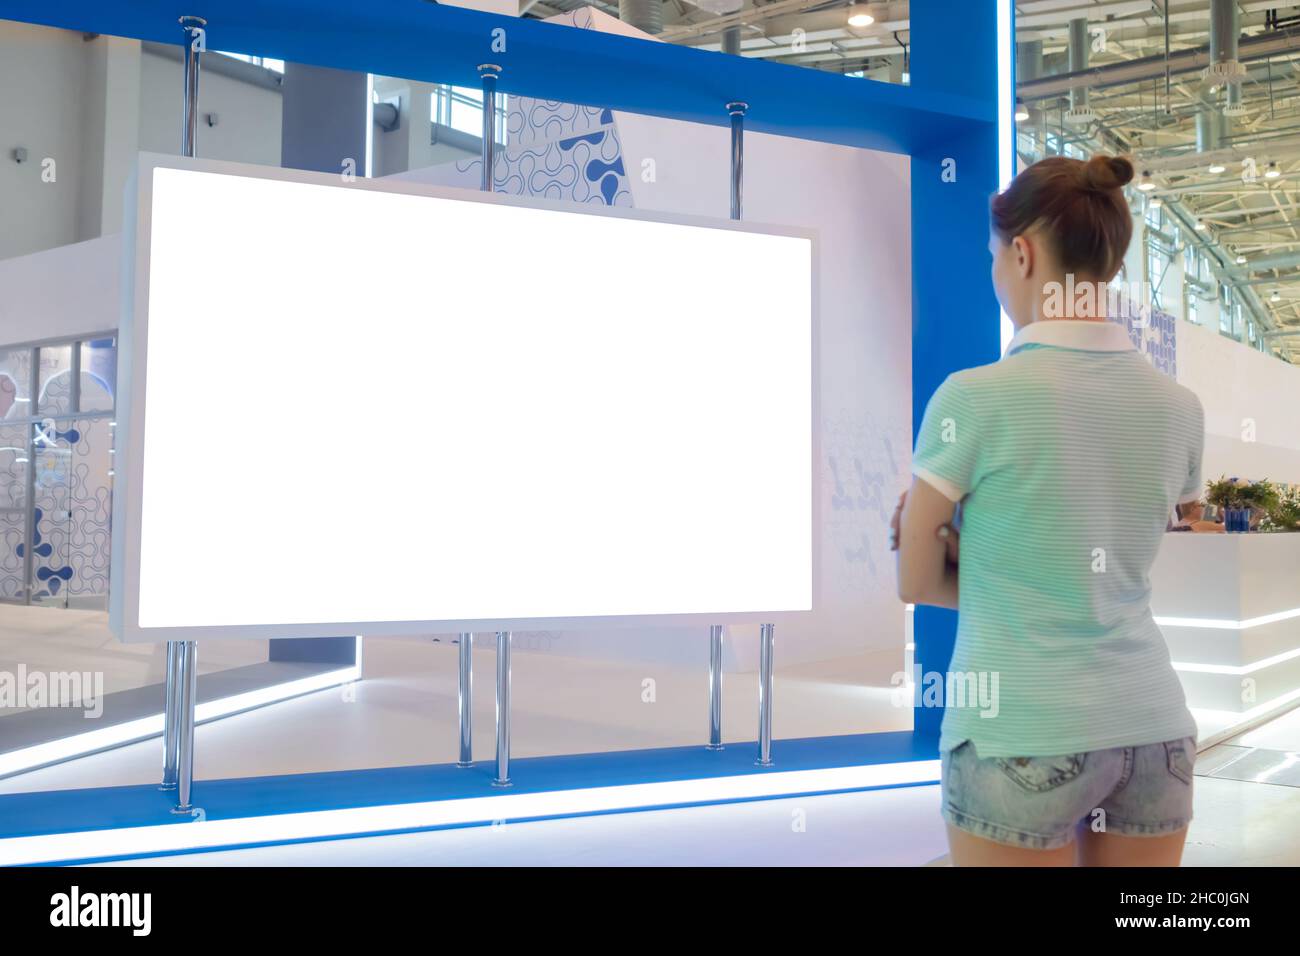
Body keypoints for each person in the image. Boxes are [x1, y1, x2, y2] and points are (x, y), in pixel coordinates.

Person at [891, 154, 1204, 867]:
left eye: (995, 258)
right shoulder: (1180, 410)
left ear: (1023, 254)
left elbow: (914, 582)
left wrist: (958, 551)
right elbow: (1105, 562)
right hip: (1153, 731)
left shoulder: (972, 398)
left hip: (1016, 733)